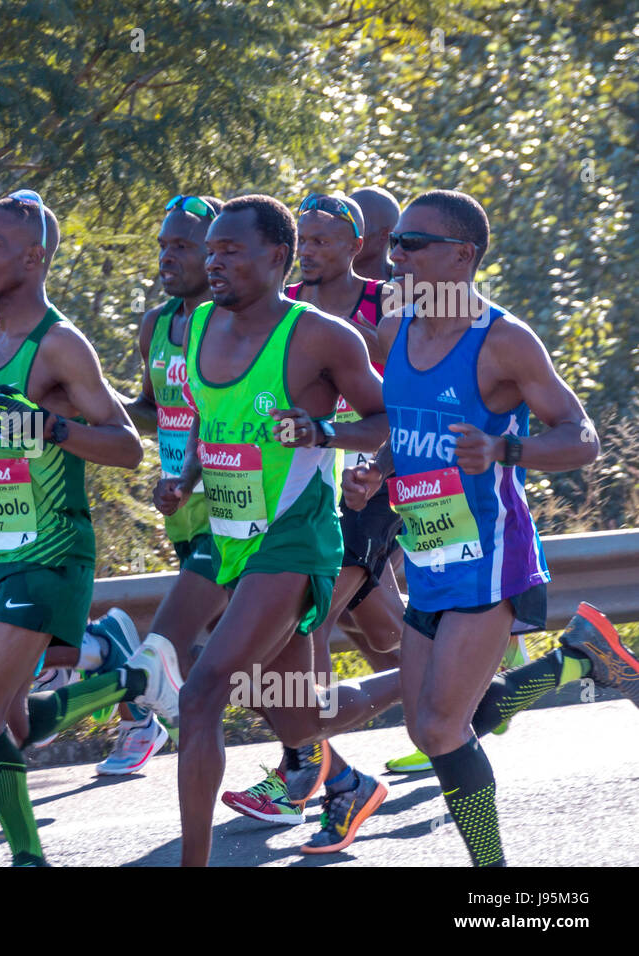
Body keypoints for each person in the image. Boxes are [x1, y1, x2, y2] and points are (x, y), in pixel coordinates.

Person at [340, 188, 636, 866]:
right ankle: (575, 661)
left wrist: (506, 449)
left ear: (462, 256)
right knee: (432, 722)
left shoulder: (503, 341)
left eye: (414, 243)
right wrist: (374, 469)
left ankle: (494, 877)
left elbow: (583, 438)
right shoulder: (394, 328)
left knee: (442, 728)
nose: (396, 256)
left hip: (493, 558)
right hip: (430, 554)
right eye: (395, 244)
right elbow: (404, 428)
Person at [171, 195, 403, 866]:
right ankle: (364, 761)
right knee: (300, 710)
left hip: (297, 537)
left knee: (203, 690)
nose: (213, 263)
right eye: (209, 251)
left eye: (230, 251)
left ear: (277, 257)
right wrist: (186, 479)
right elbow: (208, 419)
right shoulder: (198, 326)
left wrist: (323, 431)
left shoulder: (321, 337)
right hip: (234, 538)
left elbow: (388, 419)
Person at [0, 188, 168, 865]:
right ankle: (126, 682)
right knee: (19, 722)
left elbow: (128, 445)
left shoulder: (60, 346)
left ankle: (28, 859)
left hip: (51, 556)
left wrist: (51, 426)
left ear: (33, 257)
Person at [110, 193, 230, 773]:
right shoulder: (156, 325)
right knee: (250, 652)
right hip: (180, 507)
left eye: (181, 245)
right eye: (163, 245)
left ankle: (142, 704)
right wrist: (94, 401)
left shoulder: (233, 324)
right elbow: (157, 411)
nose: (167, 256)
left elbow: (226, 418)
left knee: (172, 645)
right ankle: (311, 760)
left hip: (231, 505)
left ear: (215, 252)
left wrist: (188, 476)